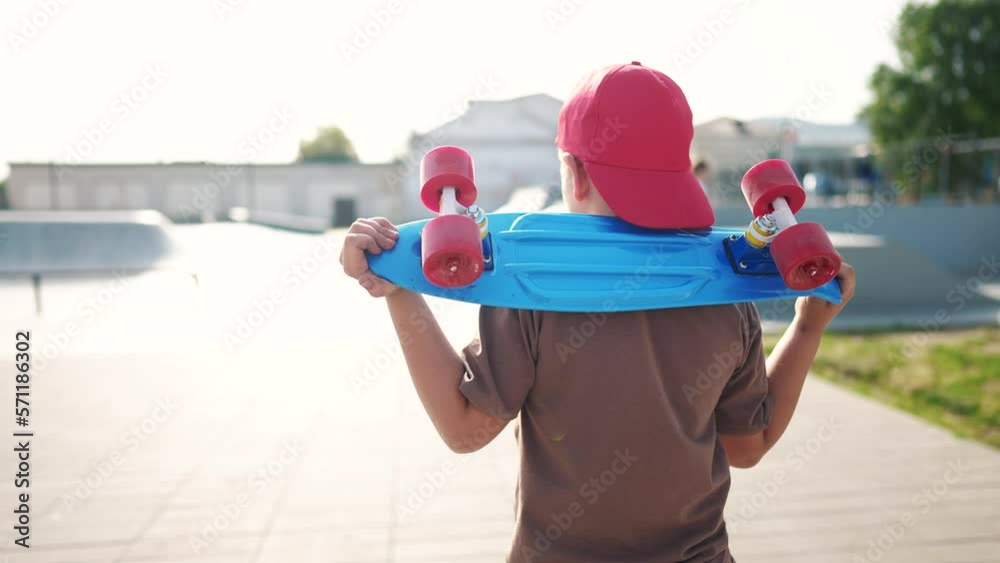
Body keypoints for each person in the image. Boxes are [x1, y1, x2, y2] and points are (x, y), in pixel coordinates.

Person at [340, 62, 856, 562]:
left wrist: (401, 291)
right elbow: (748, 447)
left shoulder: (535, 291)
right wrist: (809, 325)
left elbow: (465, 430)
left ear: (574, 172)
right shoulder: (725, 298)